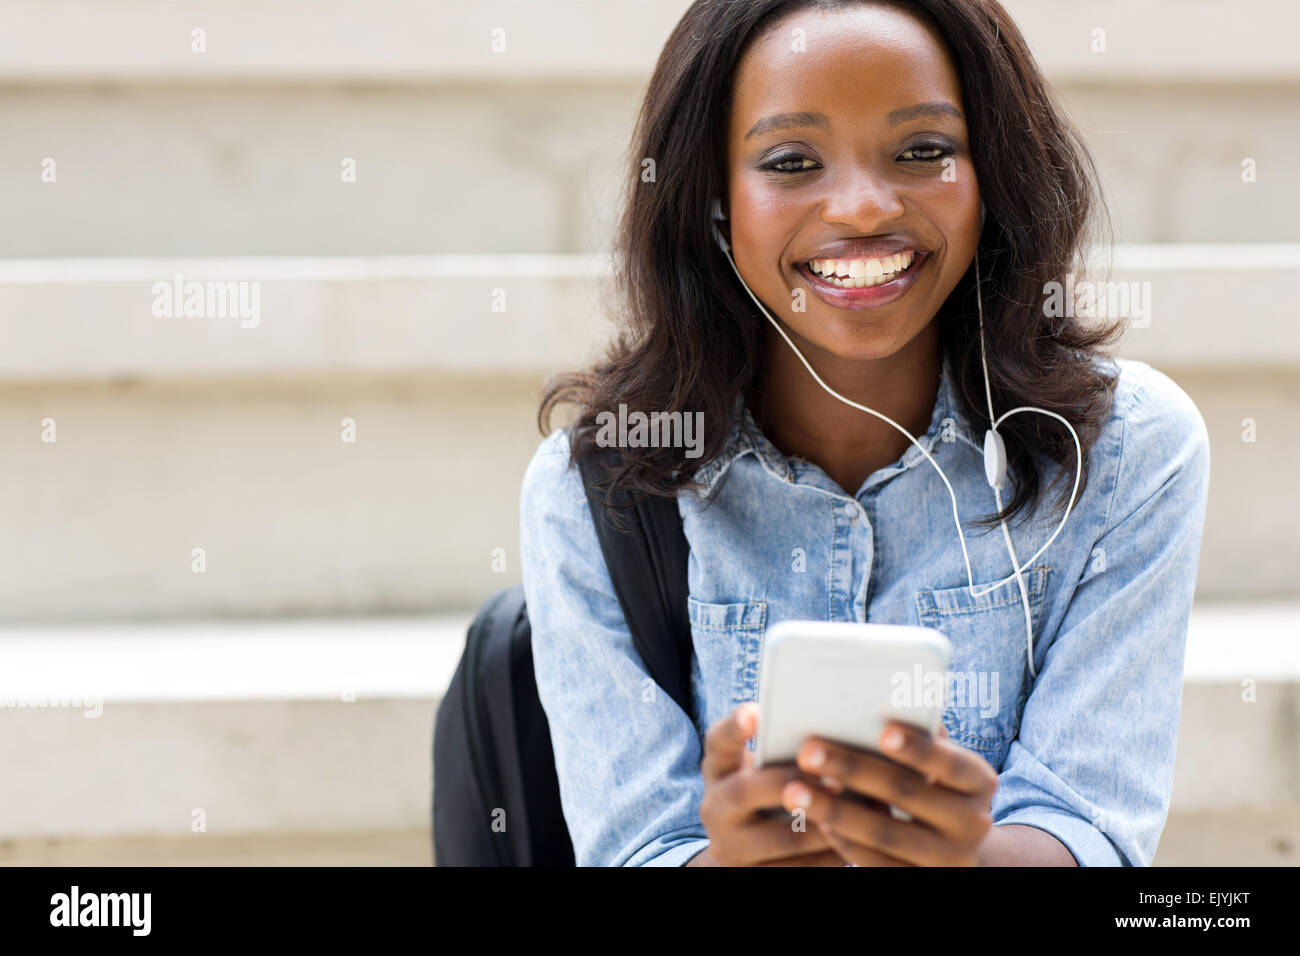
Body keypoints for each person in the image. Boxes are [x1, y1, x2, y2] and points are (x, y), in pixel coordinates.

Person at [519, 0, 1211, 866]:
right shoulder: (597, 488)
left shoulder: (1125, 450)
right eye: (791, 160)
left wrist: (968, 859)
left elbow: (1092, 827)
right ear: (714, 203)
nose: (861, 207)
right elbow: (635, 846)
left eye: (923, 151)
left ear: (992, 170)